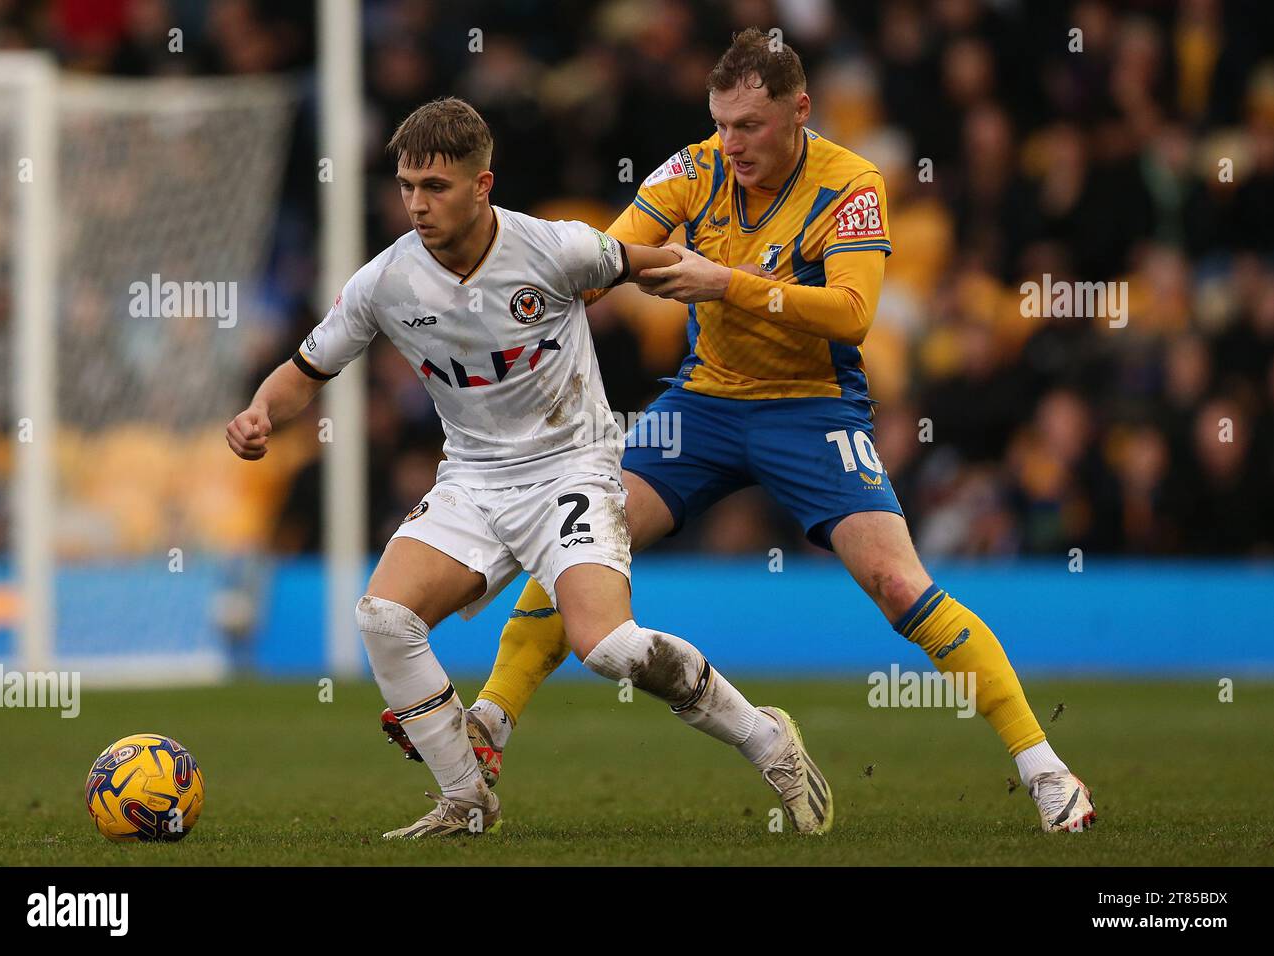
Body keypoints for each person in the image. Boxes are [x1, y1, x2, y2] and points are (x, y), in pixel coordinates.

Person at [415, 31, 1095, 833]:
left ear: (799, 112)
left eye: (749, 126)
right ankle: (489, 727)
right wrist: (511, 293)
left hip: (811, 409)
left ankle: (1045, 769)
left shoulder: (850, 184)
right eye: (722, 124)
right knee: (585, 544)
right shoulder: (696, 166)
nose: (730, 143)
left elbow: (854, 311)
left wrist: (725, 284)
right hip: (701, 406)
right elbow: (613, 253)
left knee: (898, 585)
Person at [228, 97, 833, 838]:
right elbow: (305, 369)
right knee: (385, 619)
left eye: (436, 186)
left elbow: (657, 264)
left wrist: (733, 290)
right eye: (408, 185)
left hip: (572, 470)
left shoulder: (555, 249)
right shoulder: (384, 282)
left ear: (483, 186)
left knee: (610, 649)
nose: (417, 204)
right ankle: (467, 799)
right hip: (473, 484)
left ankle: (767, 739)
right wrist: (261, 411)